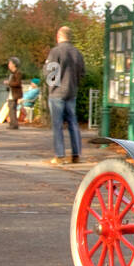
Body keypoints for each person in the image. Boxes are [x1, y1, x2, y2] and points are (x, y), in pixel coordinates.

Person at [44, 26, 85, 165]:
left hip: (57, 93)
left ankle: (60, 155)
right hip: (72, 92)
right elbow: (82, 73)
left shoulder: (56, 51)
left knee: (57, 125)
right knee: (73, 123)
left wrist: (52, 88)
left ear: (58, 36)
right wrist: (74, 85)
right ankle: (76, 154)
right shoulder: (77, 53)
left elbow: (51, 73)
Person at [4, 57, 23, 129]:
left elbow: (18, 83)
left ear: (14, 64)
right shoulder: (12, 74)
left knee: (12, 108)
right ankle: (12, 123)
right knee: (11, 108)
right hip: (12, 93)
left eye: (10, 63)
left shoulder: (17, 73)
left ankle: (14, 124)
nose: (8, 65)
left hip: (14, 94)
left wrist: (9, 83)